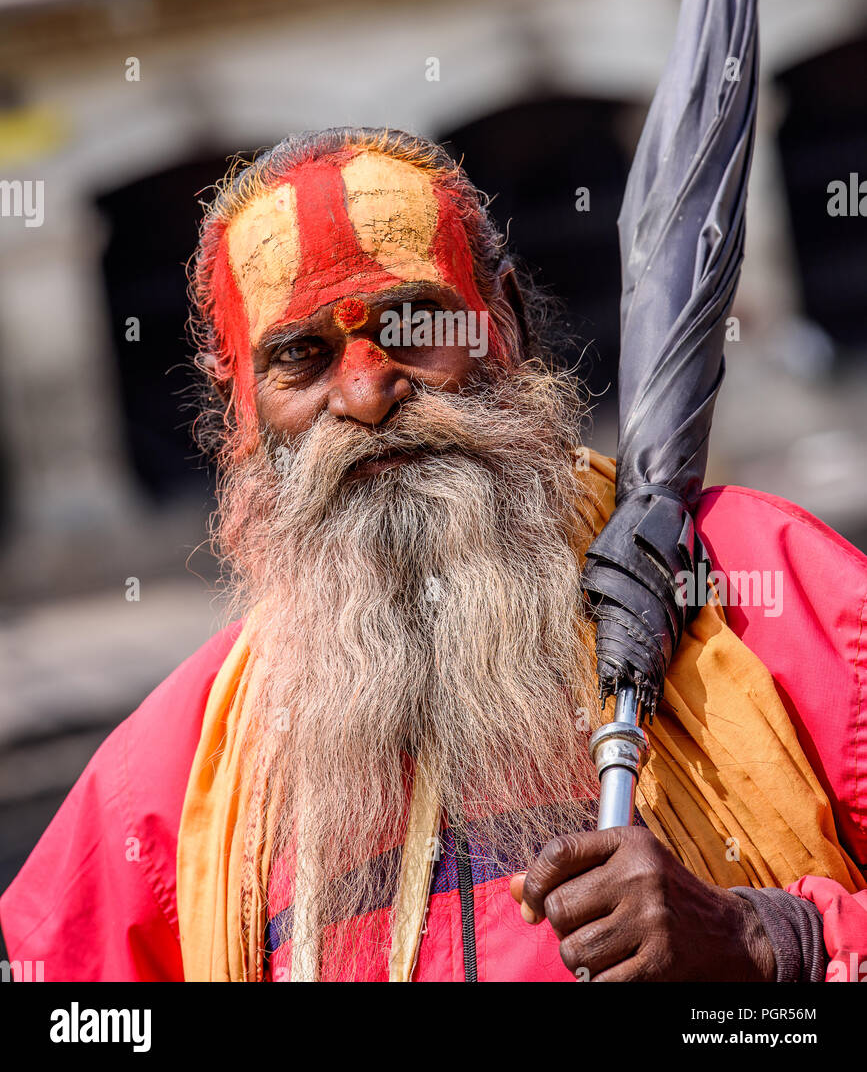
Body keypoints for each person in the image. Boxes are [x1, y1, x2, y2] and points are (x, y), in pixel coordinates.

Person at [2, 126, 865, 983]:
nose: (368, 391)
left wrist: (768, 943)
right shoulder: (165, 777)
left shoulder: (765, 589)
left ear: (506, 323)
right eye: (300, 357)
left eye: (412, 324)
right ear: (241, 413)